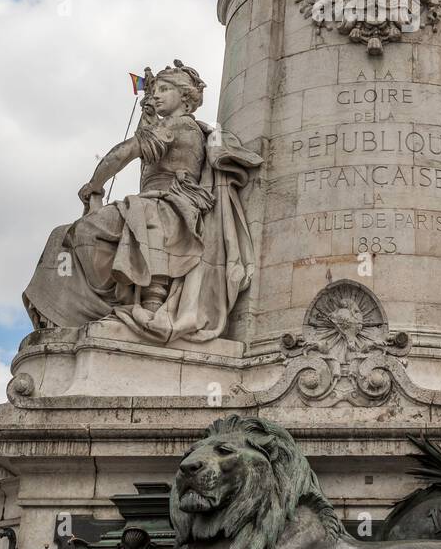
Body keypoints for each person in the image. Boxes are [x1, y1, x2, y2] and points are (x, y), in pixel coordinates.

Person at [23, 61, 262, 345]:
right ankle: (101, 305)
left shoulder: (179, 125)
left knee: (83, 232)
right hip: (155, 203)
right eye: (155, 90)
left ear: (185, 97)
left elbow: (122, 153)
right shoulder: (168, 127)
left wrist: (93, 185)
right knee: (69, 234)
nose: (156, 95)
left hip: (169, 207)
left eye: (164, 89)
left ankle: (122, 306)